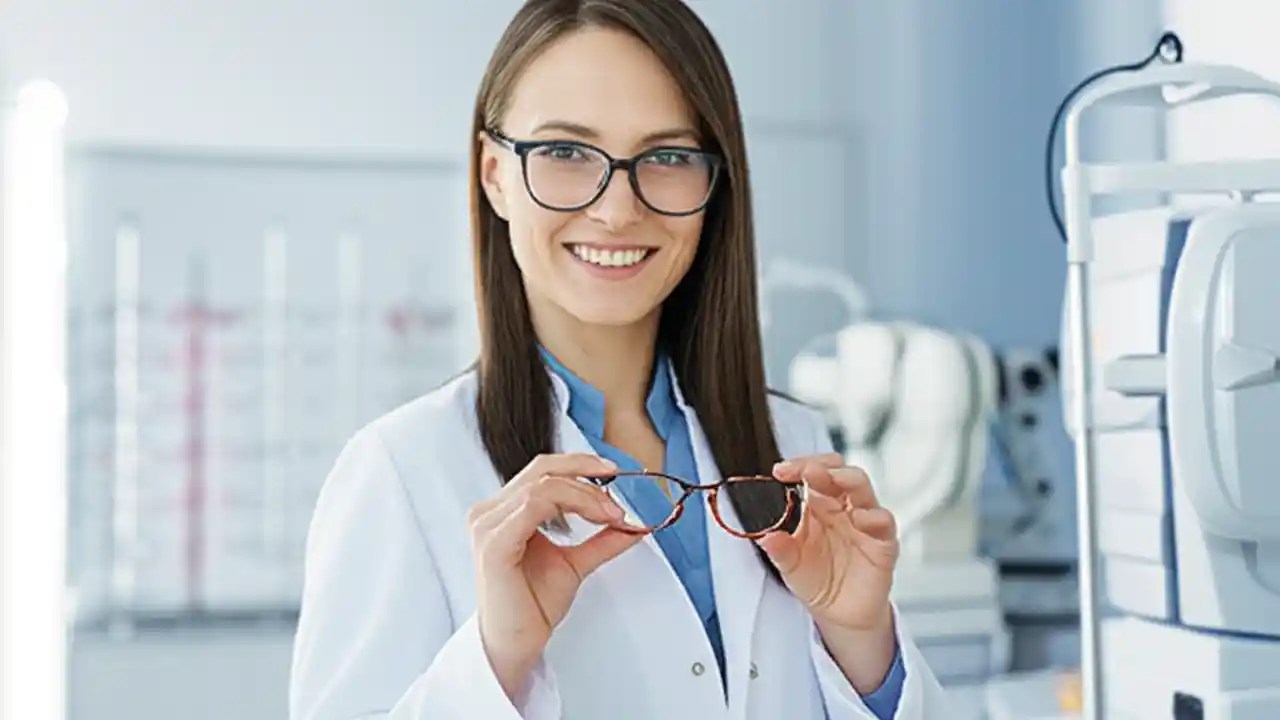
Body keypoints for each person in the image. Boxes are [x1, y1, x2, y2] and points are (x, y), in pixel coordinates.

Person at [288, 0, 946, 717]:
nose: (617, 209)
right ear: (494, 174)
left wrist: (862, 640)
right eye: (566, 154)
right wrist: (495, 661)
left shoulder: (794, 448)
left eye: (666, 157)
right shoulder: (402, 471)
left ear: (714, 186)